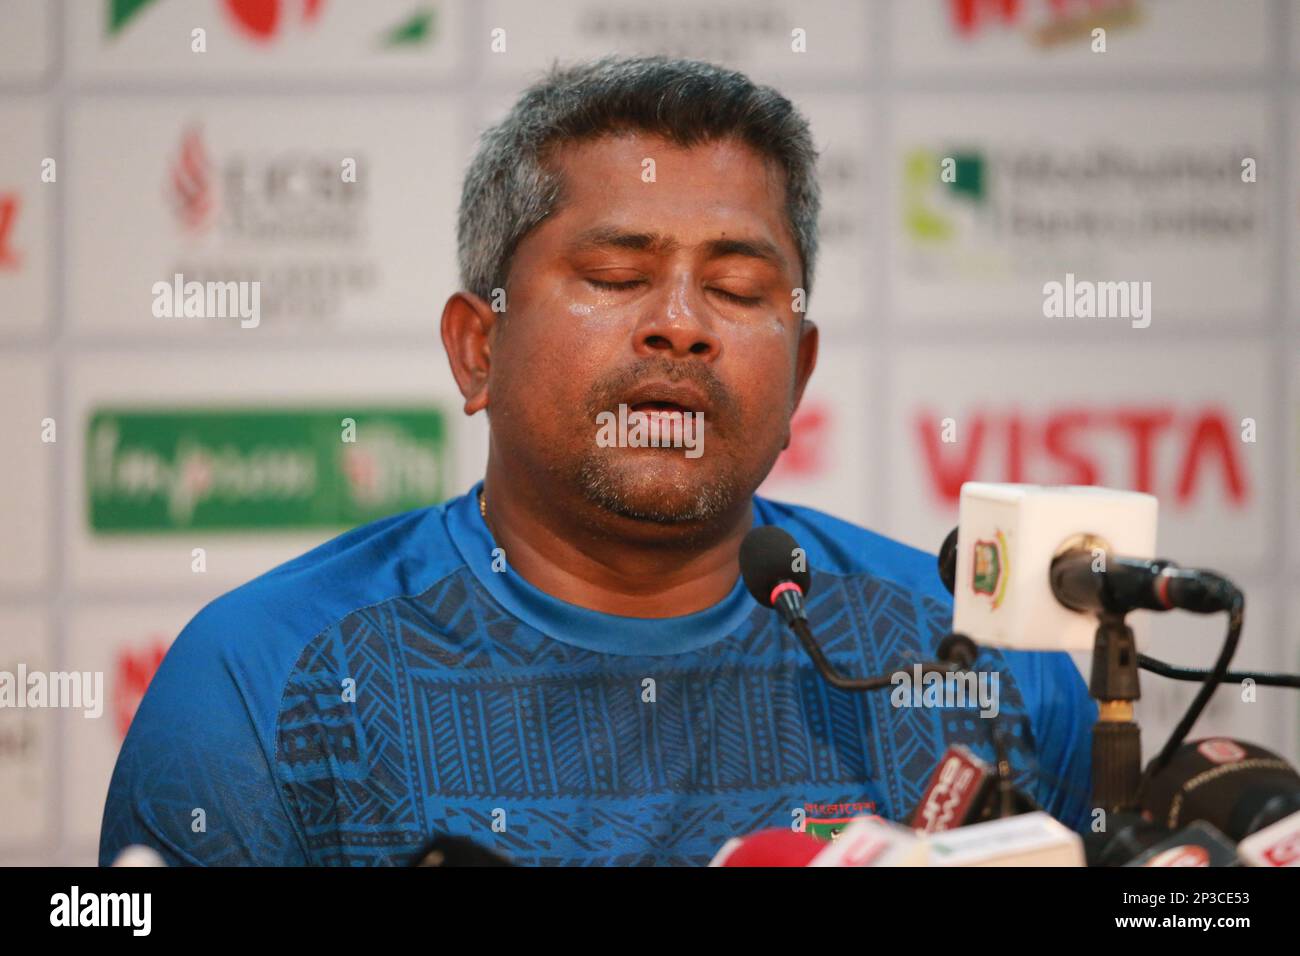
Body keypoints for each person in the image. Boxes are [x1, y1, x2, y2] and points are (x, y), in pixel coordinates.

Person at [100, 55, 1096, 866]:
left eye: (740, 290)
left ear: (799, 373)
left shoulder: (979, 665)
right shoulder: (268, 680)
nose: (679, 325)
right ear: (477, 347)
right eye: (617, 276)